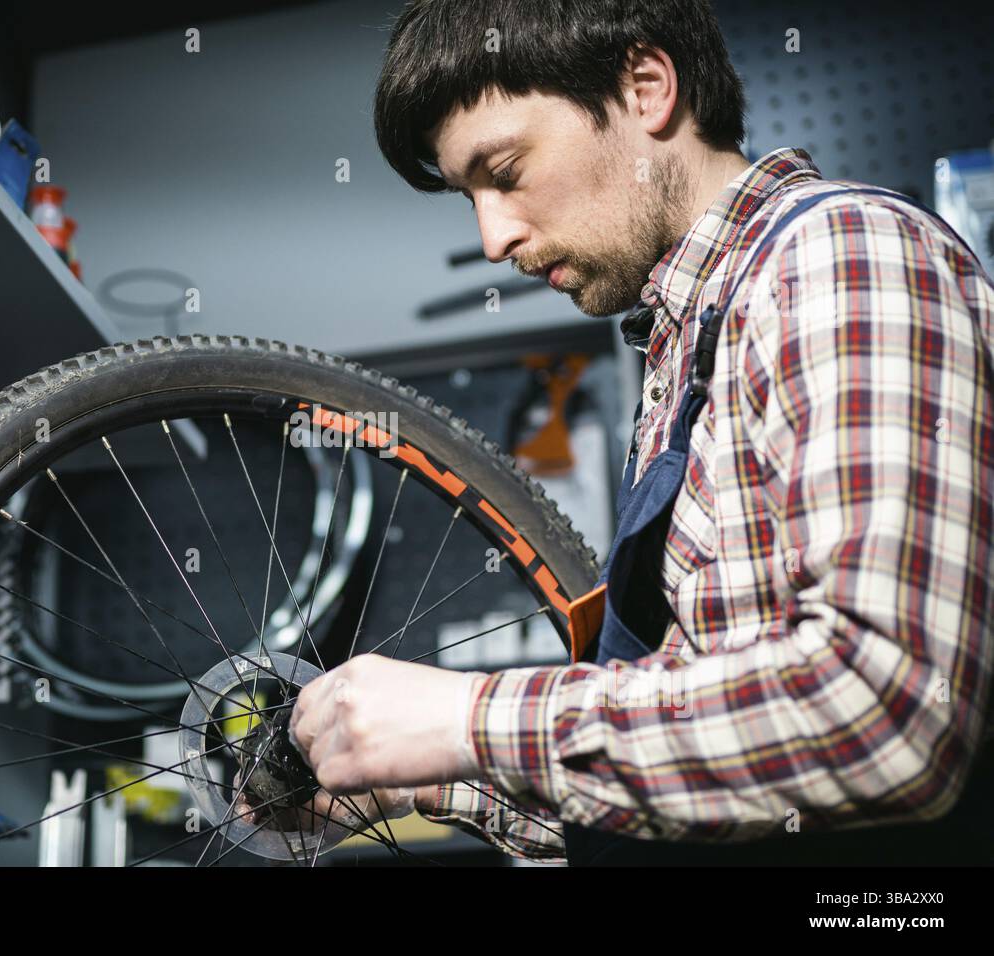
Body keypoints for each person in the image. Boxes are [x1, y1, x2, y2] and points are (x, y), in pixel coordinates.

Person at [265, 0, 994, 865]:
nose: (494, 237)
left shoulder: (839, 256)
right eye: (469, 199)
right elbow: (713, 777)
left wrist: (472, 718)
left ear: (647, 87)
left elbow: (888, 714)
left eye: (504, 171)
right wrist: (427, 776)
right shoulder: (687, 349)